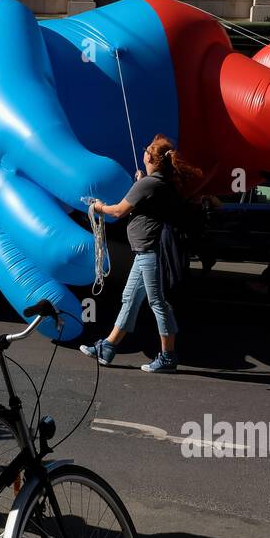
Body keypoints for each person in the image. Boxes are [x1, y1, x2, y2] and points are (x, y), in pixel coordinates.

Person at [82, 134, 200, 373]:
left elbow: (118, 212)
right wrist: (141, 181)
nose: (144, 152)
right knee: (130, 298)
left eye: (147, 150)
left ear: (152, 158)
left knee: (158, 302)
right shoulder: (159, 181)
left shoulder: (148, 184)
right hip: (145, 251)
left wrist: (97, 207)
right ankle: (107, 347)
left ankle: (168, 356)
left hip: (151, 252)